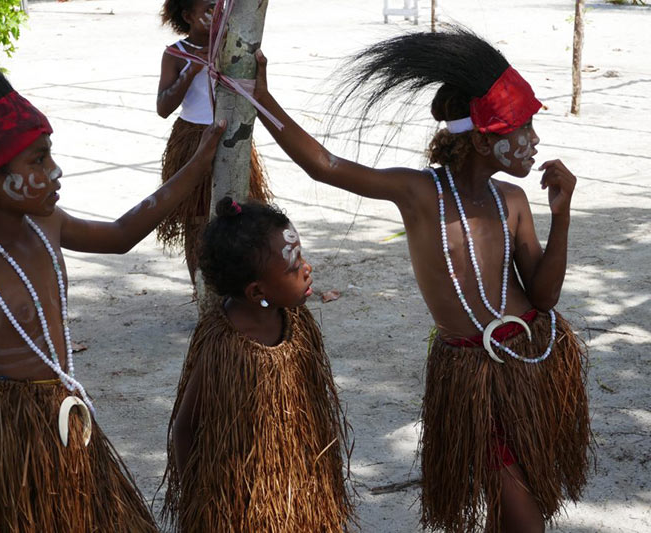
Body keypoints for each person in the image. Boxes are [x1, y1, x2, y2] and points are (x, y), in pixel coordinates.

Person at [0, 36, 225, 532]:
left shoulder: (46, 223)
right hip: (8, 441)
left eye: (49, 156)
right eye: (37, 161)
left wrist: (196, 165)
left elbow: (119, 235)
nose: (55, 172)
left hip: (64, 422)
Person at [252, 29, 590, 533]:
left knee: (518, 494)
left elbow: (544, 295)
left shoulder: (512, 202)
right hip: (471, 372)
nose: (535, 140)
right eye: (521, 127)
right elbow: (324, 166)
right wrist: (260, 97)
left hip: (531, 359)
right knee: (522, 512)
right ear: (481, 139)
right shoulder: (419, 194)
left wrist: (561, 216)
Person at [162, 197, 354, 532]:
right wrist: (198, 502)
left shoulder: (297, 322)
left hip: (298, 488)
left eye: (302, 258)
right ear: (256, 291)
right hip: (240, 503)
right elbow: (184, 425)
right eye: (294, 268)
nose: (307, 269)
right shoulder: (223, 346)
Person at [157, 0, 271, 285]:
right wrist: (191, 70)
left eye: (220, 8)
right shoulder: (176, 54)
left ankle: (233, 287)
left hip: (231, 136)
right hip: (191, 140)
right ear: (187, 15)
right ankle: (201, 289)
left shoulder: (231, 47)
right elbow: (163, 107)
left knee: (238, 212)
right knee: (196, 219)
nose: (217, 13)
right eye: (209, 8)